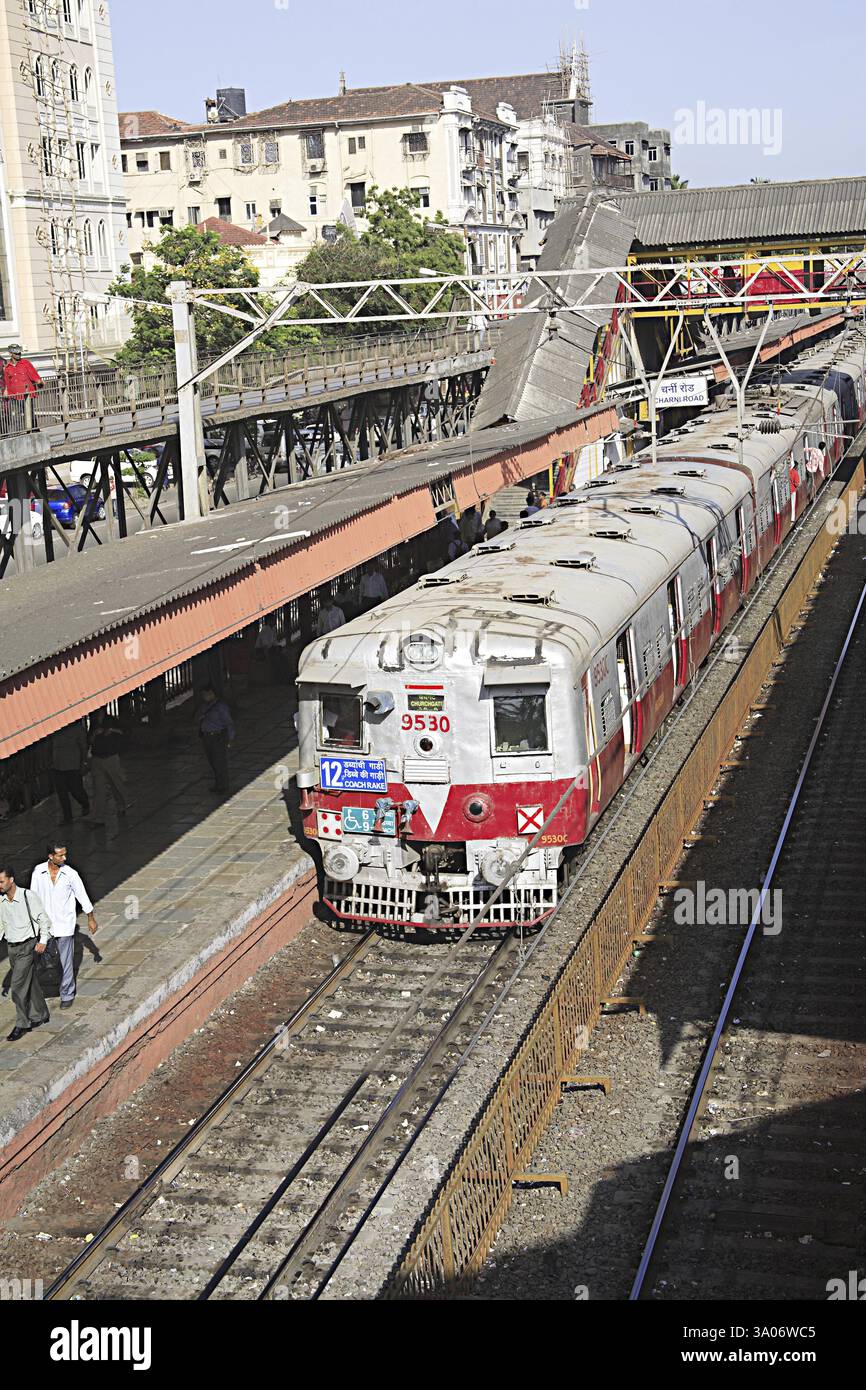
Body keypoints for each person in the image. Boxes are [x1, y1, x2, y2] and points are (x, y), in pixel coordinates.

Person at [30, 844, 99, 1011]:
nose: (64, 858)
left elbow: (82, 895)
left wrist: (91, 918)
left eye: (65, 855)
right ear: (50, 856)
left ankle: (67, 993)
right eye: (60, 855)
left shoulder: (70, 874)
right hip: (45, 926)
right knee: (45, 959)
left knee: (65, 960)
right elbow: (33, 897)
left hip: (64, 924)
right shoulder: (38, 872)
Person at [0, 865, 51, 1042]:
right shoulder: (1, 901)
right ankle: (41, 1014)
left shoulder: (28, 896)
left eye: (1, 881)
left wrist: (43, 940)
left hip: (27, 947)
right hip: (12, 948)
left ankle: (22, 1023)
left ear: (11, 880)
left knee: (18, 987)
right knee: (30, 983)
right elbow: (1, 924)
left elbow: (43, 919)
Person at [88, 710, 127, 827]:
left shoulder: (112, 720)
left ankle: (121, 805)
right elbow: (89, 740)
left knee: (116, 784)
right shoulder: (93, 723)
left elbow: (124, 733)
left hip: (111, 757)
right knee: (99, 790)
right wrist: (95, 734)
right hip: (97, 759)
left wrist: (112, 731)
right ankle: (98, 819)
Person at [196, 686, 235, 795]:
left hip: (217, 737)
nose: (204, 697)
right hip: (207, 737)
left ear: (212, 693)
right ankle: (218, 783)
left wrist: (230, 739)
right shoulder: (205, 706)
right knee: (212, 761)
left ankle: (223, 785)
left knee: (219, 762)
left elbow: (229, 723)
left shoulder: (221, 707)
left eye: (205, 694)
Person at [51, 720, 91, 824]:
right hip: (57, 765)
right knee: (62, 792)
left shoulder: (77, 729)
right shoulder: (55, 728)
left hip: (72, 764)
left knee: (76, 789)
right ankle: (67, 816)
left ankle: (85, 803)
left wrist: (84, 762)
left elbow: (83, 747)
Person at [3, 345, 42, 433]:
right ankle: (19, 433)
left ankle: (34, 431)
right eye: (16, 353)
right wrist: (6, 391)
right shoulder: (7, 368)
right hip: (15, 395)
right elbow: (7, 382)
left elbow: (33, 374)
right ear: (11, 354)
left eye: (19, 353)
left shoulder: (25, 363)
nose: (18, 355)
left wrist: (39, 381)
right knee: (15, 416)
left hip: (27, 395)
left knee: (30, 413)